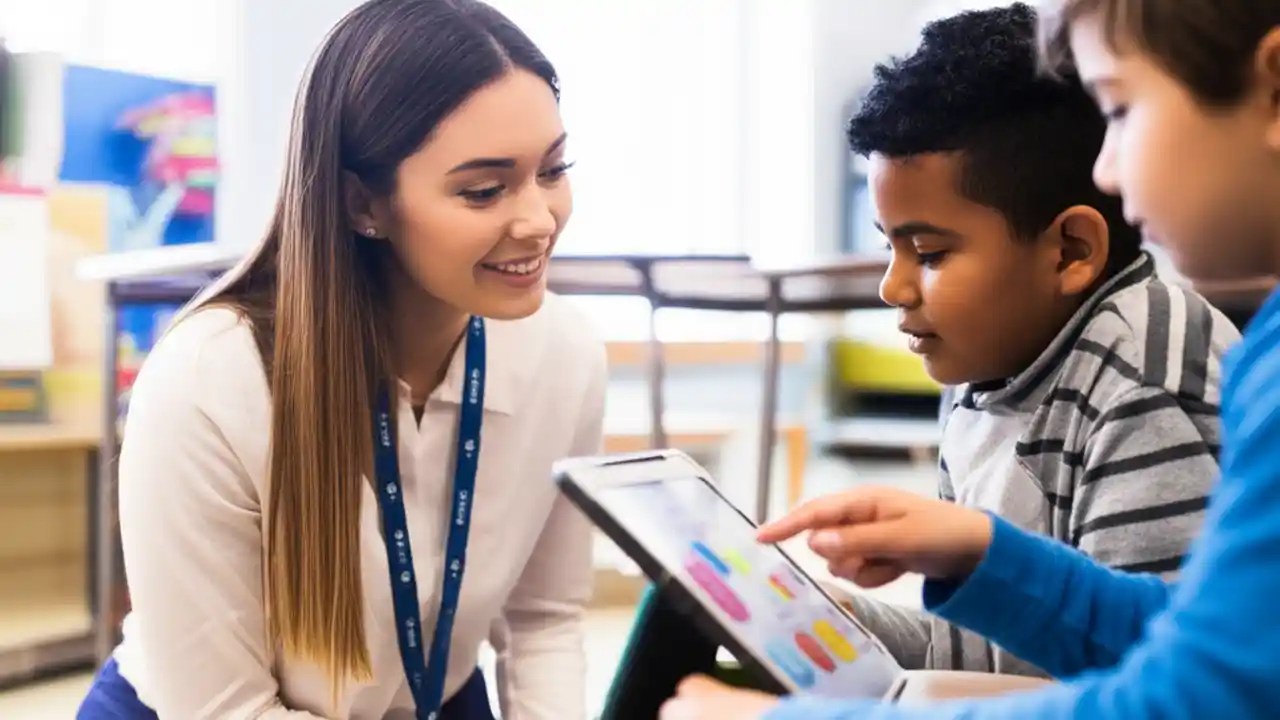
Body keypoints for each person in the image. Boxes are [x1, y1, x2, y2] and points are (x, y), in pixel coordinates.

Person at [660, 2, 1280, 716]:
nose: (1106, 170)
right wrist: (963, 561)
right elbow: (1176, 645)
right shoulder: (986, 367)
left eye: (1120, 109)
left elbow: (1180, 698)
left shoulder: (1151, 372)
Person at [76, 1, 605, 718]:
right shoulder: (209, 381)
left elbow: (545, 618)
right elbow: (224, 710)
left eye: (552, 169)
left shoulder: (563, 353)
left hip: (429, 700)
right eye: (484, 190)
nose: (539, 220)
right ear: (363, 203)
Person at [826, 2, 1236, 679]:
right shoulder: (983, 366)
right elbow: (982, 655)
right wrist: (824, 617)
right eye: (889, 247)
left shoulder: (1141, 377)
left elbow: (1164, 675)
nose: (892, 288)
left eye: (928, 252)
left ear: (1070, 250)